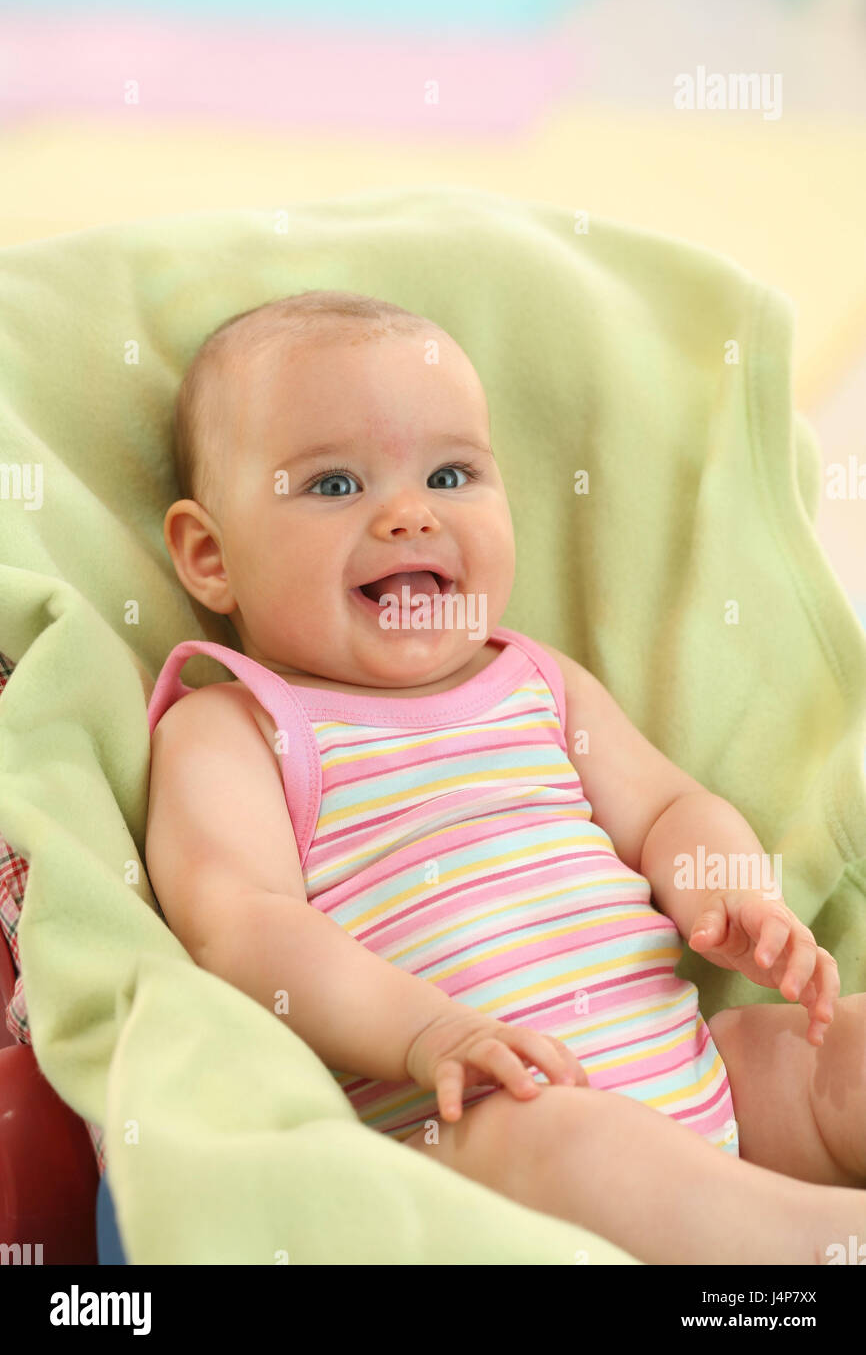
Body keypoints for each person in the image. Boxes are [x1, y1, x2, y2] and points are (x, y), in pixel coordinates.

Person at [144, 289, 866, 1266]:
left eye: (449, 473)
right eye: (331, 486)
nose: (407, 514)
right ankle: (820, 1245)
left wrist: (729, 891)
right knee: (565, 1138)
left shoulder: (535, 683)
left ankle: (752, 1222)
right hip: (471, 1138)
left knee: (840, 1054)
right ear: (207, 555)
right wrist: (422, 1031)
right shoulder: (236, 723)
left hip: (698, 1076)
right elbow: (239, 920)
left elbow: (666, 808)